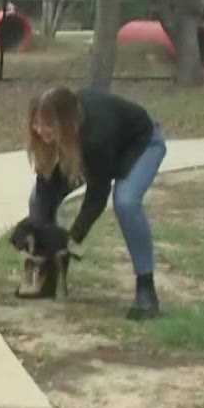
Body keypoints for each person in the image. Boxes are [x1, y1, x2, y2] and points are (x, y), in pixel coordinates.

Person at [26, 86, 168, 319]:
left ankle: (146, 289)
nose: (41, 131)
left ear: (67, 122)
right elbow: (46, 188)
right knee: (37, 200)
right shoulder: (58, 134)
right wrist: (44, 241)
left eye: (48, 125)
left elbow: (97, 195)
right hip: (89, 149)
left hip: (140, 144)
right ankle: (49, 276)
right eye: (36, 124)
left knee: (126, 201)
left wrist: (71, 241)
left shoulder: (97, 134)